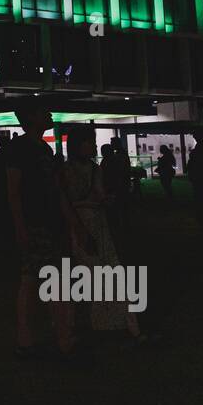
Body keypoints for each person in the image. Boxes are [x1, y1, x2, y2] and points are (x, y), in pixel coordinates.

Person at [7, 100, 87, 359]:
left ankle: (28, 339)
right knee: (47, 280)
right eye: (44, 112)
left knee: (31, 281)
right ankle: (63, 337)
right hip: (36, 223)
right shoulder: (21, 149)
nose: (50, 114)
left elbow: (54, 189)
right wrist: (21, 226)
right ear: (32, 117)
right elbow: (14, 191)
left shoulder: (42, 148)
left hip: (44, 222)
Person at [63, 129, 142, 340]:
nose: (95, 146)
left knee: (96, 272)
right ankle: (113, 321)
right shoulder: (82, 169)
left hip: (91, 220)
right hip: (89, 221)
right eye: (91, 142)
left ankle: (104, 320)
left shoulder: (84, 168)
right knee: (101, 271)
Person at [100, 141, 132, 256]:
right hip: (119, 187)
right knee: (121, 207)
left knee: (114, 210)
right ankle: (122, 226)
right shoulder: (118, 158)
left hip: (112, 188)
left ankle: (117, 227)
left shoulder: (107, 161)